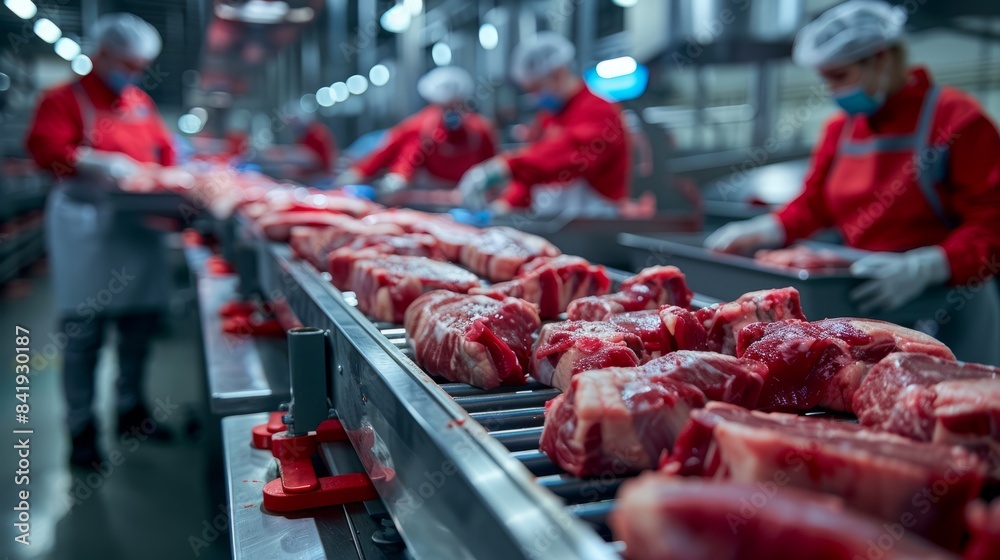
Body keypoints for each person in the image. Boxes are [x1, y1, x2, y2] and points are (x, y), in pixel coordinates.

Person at [703, 0, 1000, 364]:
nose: (832, 91)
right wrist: (763, 229)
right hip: (864, 295)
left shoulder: (957, 120)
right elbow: (814, 205)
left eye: (840, 77)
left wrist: (928, 266)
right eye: (825, 79)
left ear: (881, 59)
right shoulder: (839, 130)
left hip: (950, 301)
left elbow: (990, 224)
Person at [26, 13, 175, 466]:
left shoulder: (140, 103)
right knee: (84, 333)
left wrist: (175, 177)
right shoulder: (63, 99)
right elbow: (44, 150)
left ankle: (131, 411)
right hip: (85, 224)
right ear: (102, 53)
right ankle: (81, 431)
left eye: (138, 65)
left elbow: (165, 154)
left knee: (138, 325)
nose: (132, 73)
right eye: (127, 63)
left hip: (136, 227)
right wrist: (99, 163)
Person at [457, 31, 631, 218]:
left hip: (595, 224)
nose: (535, 98)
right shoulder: (548, 117)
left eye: (537, 89)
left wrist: (505, 166)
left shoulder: (599, 110)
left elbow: (566, 156)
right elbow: (532, 175)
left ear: (558, 74)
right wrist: (506, 206)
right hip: (556, 224)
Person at [334, 66, 496, 195]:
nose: (452, 113)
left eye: (456, 106)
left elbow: (493, 165)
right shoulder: (418, 126)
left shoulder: (481, 129)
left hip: (467, 196)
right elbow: (391, 151)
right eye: (446, 107)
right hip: (428, 196)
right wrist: (363, 174)